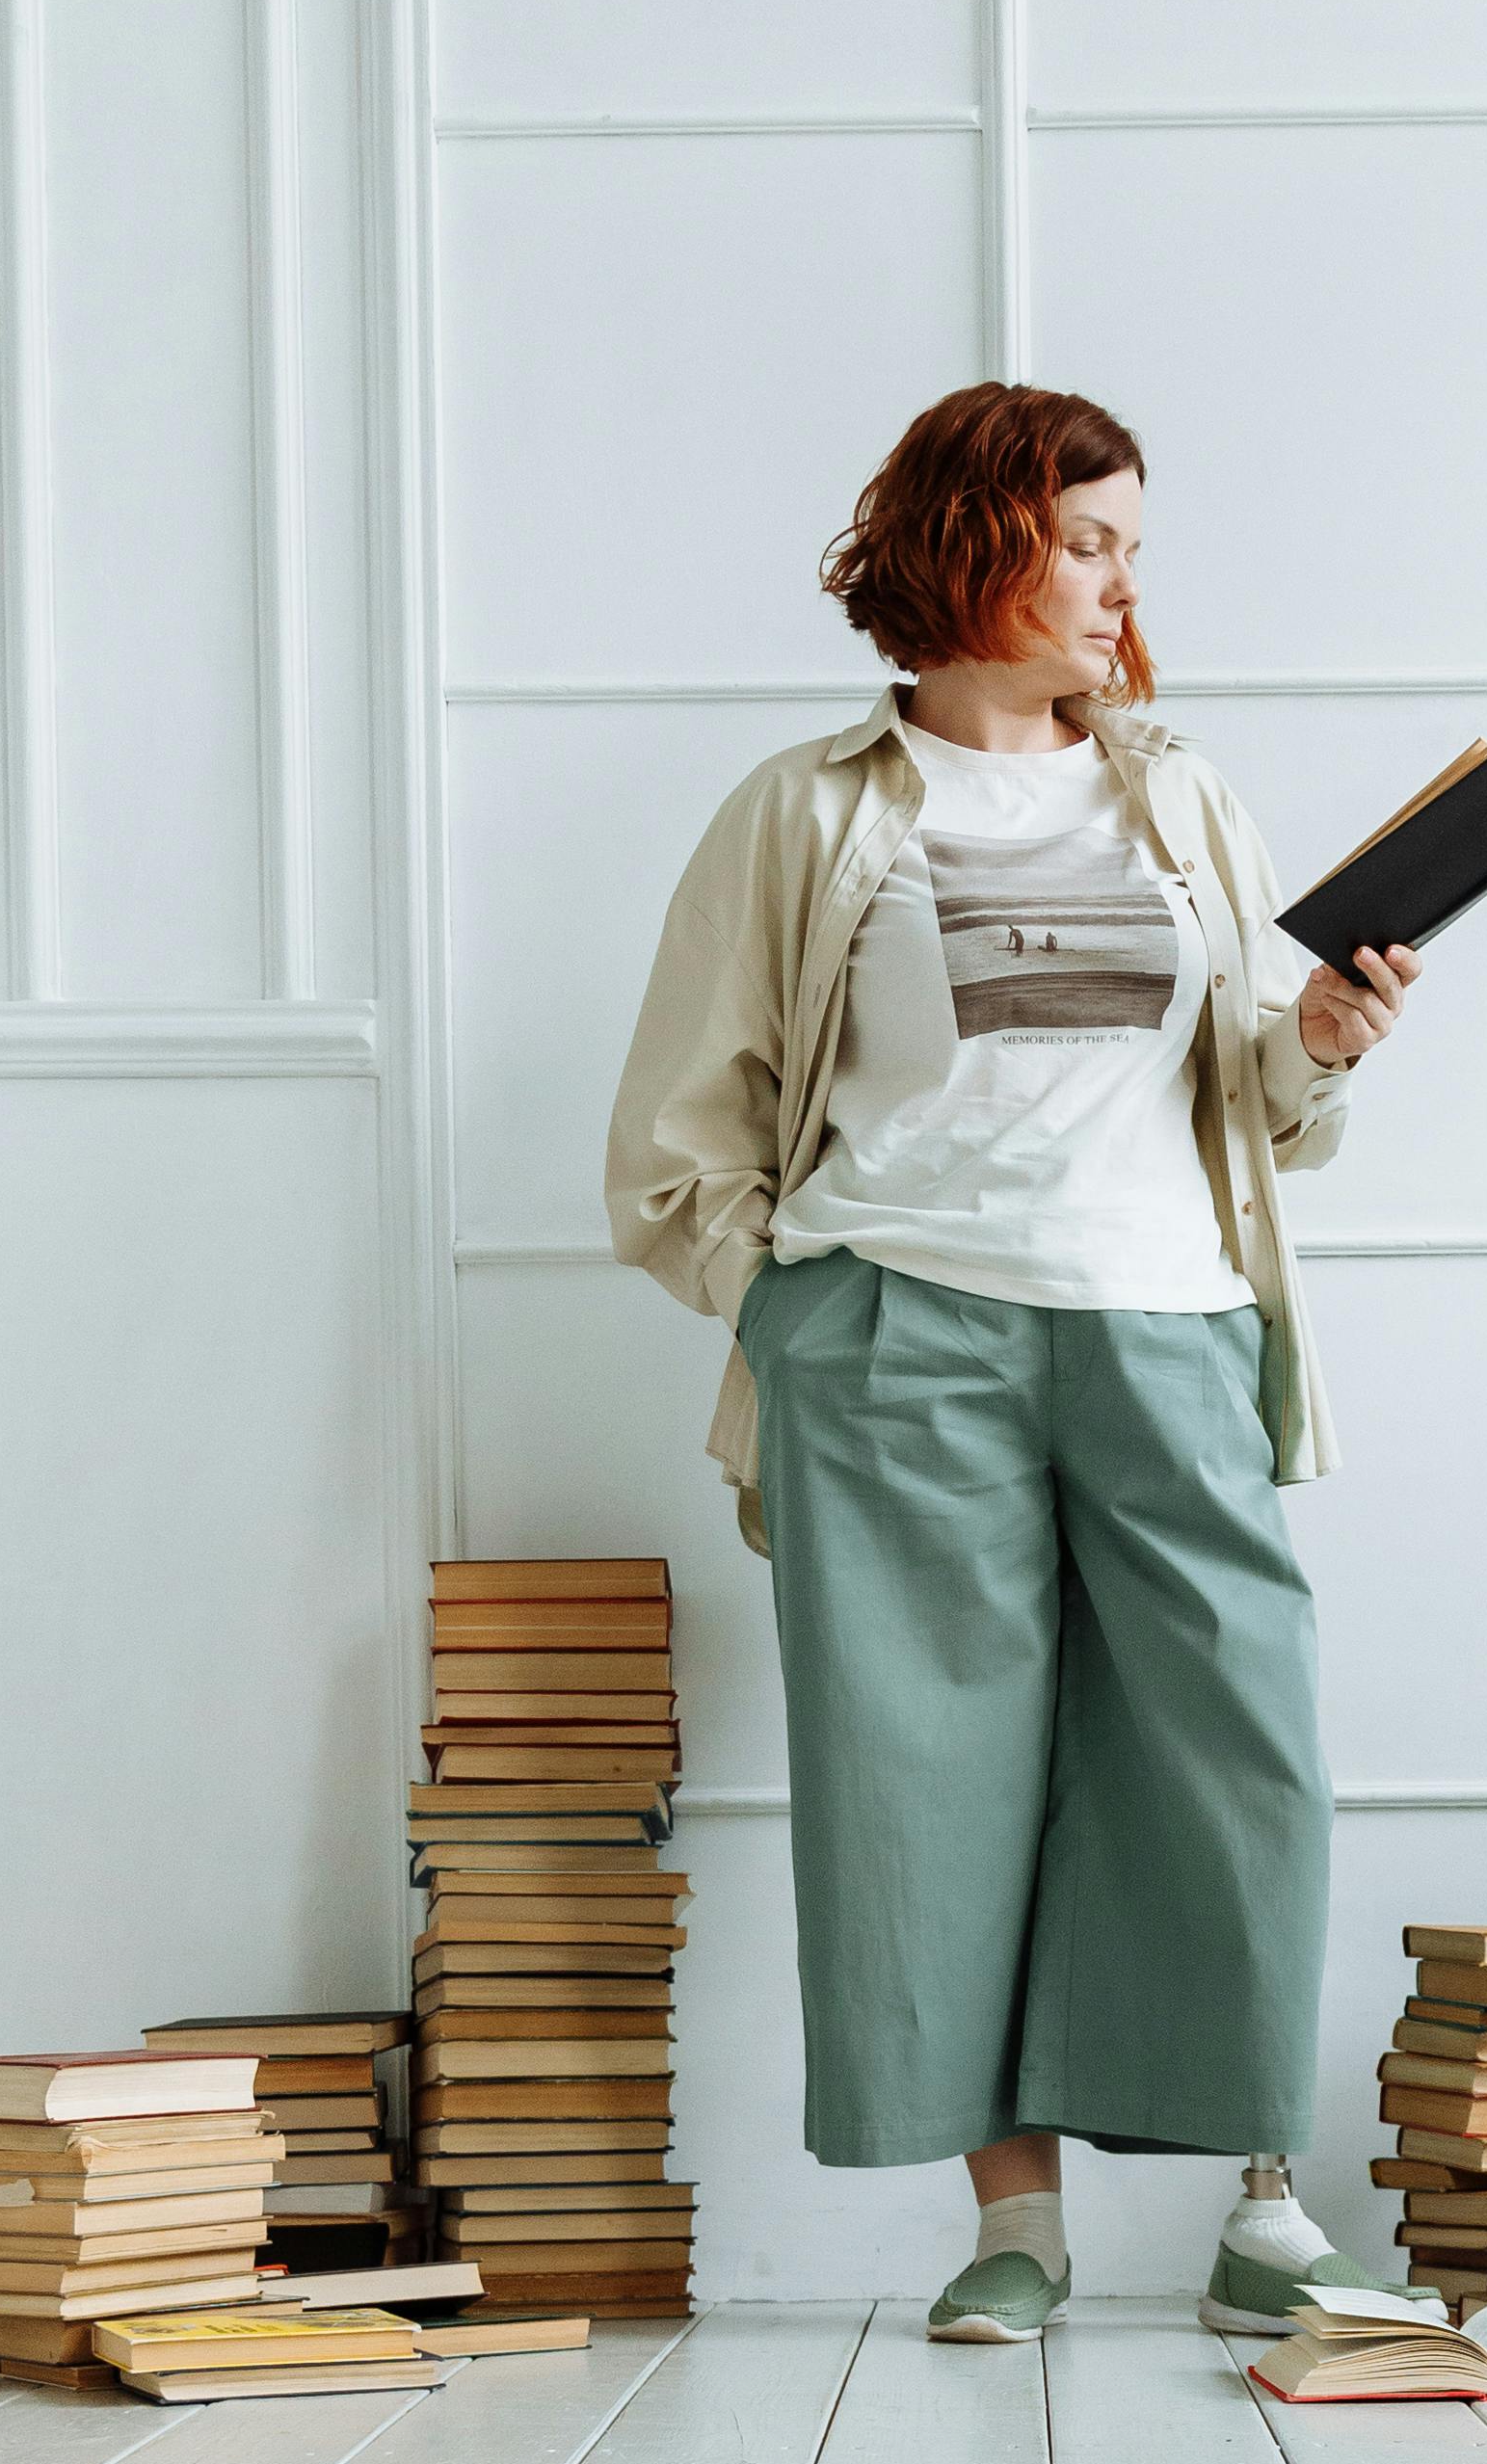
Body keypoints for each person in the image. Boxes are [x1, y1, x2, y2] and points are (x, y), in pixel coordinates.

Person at [604, 379, 1414, 2345]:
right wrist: (803, 1310)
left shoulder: (1180, 799)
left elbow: (1261, 1111)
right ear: (979, 541)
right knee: (929, 1777)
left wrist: (1317, 1038)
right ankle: (1015, 2228)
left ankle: (1258, 2198)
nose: (1126, 584)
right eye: (1094, 539)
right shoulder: (807, 817)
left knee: (1237, 1756)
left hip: (1166, 1322)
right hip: (897, 1338)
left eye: (1133, 542)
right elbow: (670, 1150)